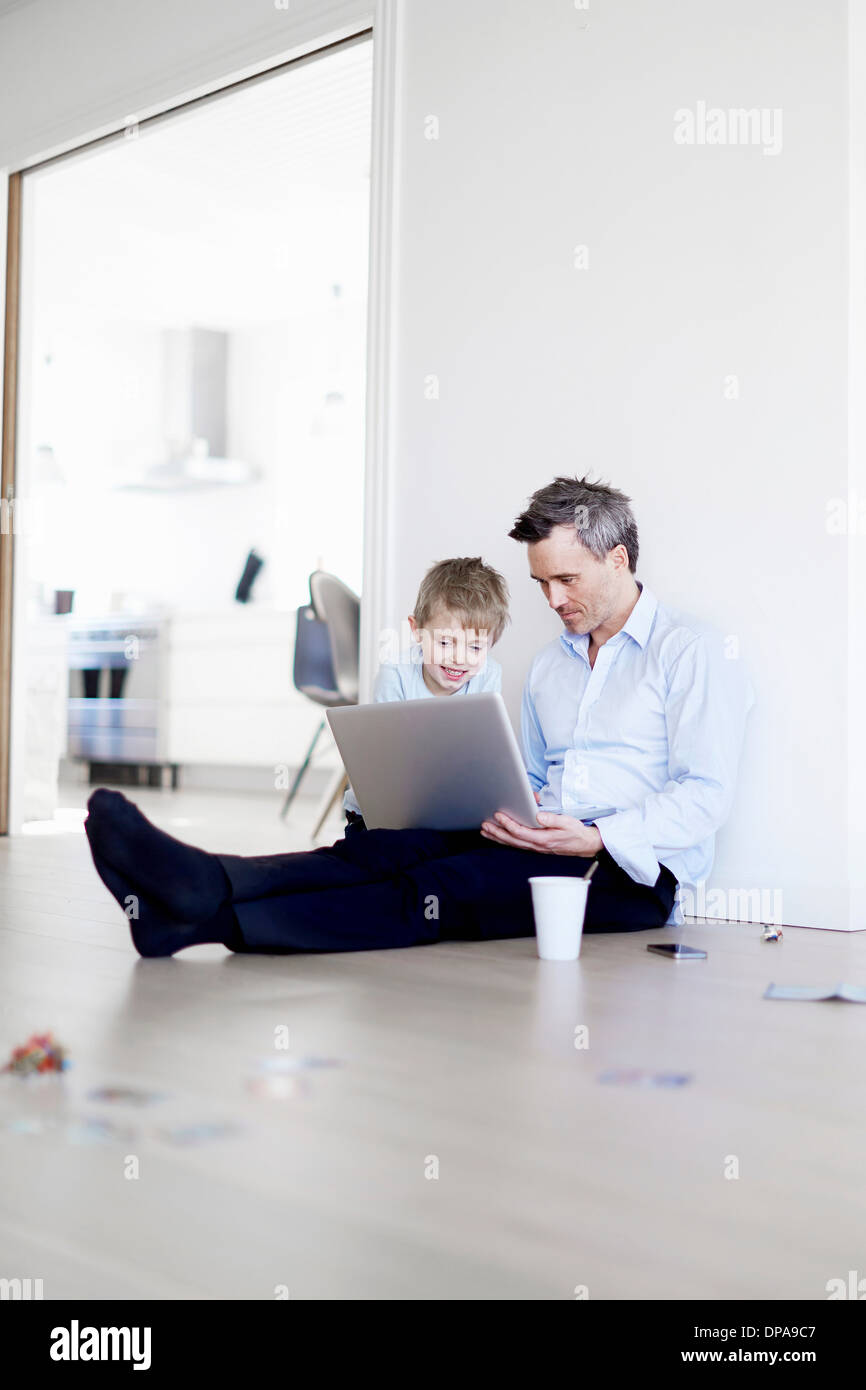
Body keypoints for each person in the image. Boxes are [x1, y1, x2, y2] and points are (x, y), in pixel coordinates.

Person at [83, 476, 754, 959]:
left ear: (618, 559)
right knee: (384, 848)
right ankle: (198, 895)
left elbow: (705, 797)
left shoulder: (689, 654)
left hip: (630, 875)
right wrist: (509, 808)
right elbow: (531, 772)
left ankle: (201, 909)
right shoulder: (554, 666)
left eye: (567, 581)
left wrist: (597, 836)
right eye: (540, 583)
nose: (551, 599)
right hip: (538, 835)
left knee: (442, 885)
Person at [342, 555, 509, 830]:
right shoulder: (395, 674)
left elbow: (481, 757)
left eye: (476, 648)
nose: (459, 658)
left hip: (452, 809)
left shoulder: (488, 675)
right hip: (382, 811)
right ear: (417, 631)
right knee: (384, 848)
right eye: (445, 642)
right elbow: (384, 758)